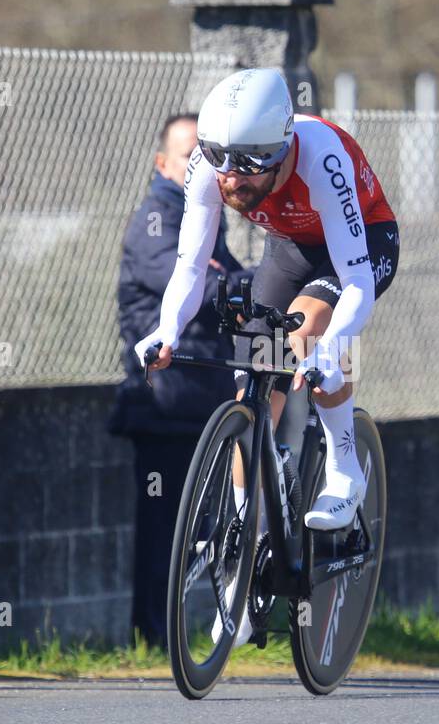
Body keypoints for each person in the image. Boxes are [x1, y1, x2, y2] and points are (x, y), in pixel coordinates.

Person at [133, 68, 400, 646]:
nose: (232, 177)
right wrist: (167, 331)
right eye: (220, 158)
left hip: (360, 248)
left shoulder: (321, 158)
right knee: (252, 389)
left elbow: (354, 279)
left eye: (250, 163)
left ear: (282, 149)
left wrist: (330, 349)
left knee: (306, 335)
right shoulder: (210, 166)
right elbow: (189, 263)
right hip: (293, 249)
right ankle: (245, 542)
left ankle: (344, 468)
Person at [109, 113, 251, 647]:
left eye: (207, 152)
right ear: (163, 163)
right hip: (166, 407)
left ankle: (185, 633)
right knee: (164, 533)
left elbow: (232, 283)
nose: (202, 163)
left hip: (200, 404)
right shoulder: (157, 220)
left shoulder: (204, 218)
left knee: (196, 530)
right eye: (190, 153)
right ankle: (153, 638)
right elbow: (200, 287)